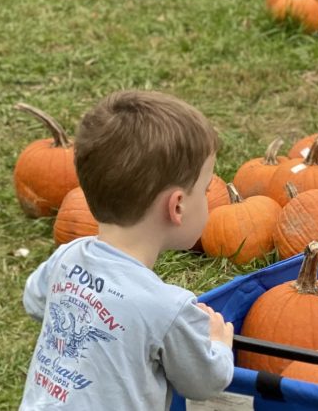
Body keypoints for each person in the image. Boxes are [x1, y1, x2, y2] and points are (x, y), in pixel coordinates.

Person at [20, 90, 235, 409]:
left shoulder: (68, 256)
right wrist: (218, 345)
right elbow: (206, 382)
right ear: (177, 207)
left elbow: (34, 299)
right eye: (204, 190)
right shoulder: (168, 308)